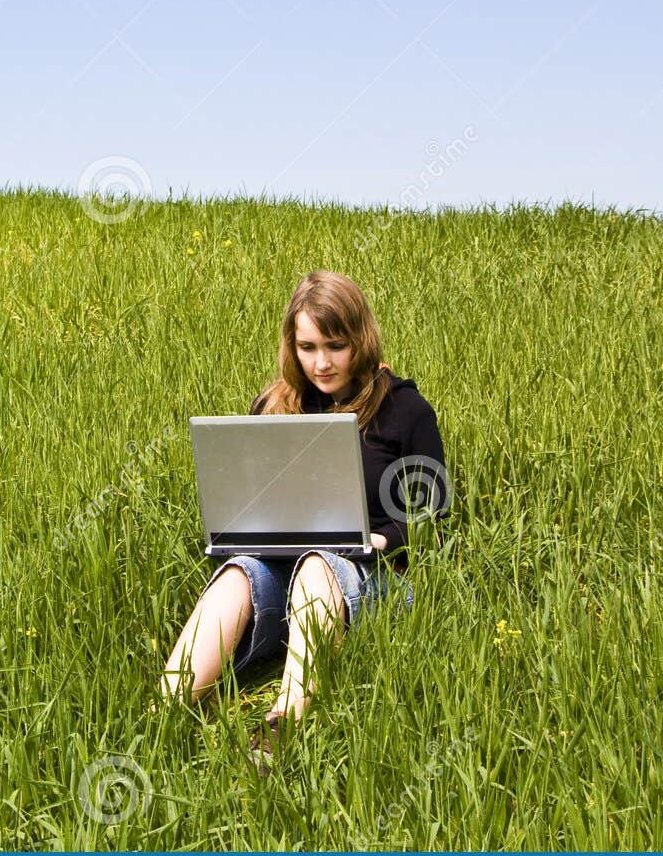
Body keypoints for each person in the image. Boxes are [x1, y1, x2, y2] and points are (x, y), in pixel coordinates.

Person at [157, 270, 450, 772]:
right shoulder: (274, 406)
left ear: (360, 338)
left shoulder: (405, 411)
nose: (320, 362)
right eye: (307, 346)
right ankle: (162, 714)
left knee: (318, 563)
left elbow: (434, 514)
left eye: (335, 346)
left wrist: (383, 537)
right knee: (235, 576)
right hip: (279, 566)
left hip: (371, 575)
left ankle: (282, 724)